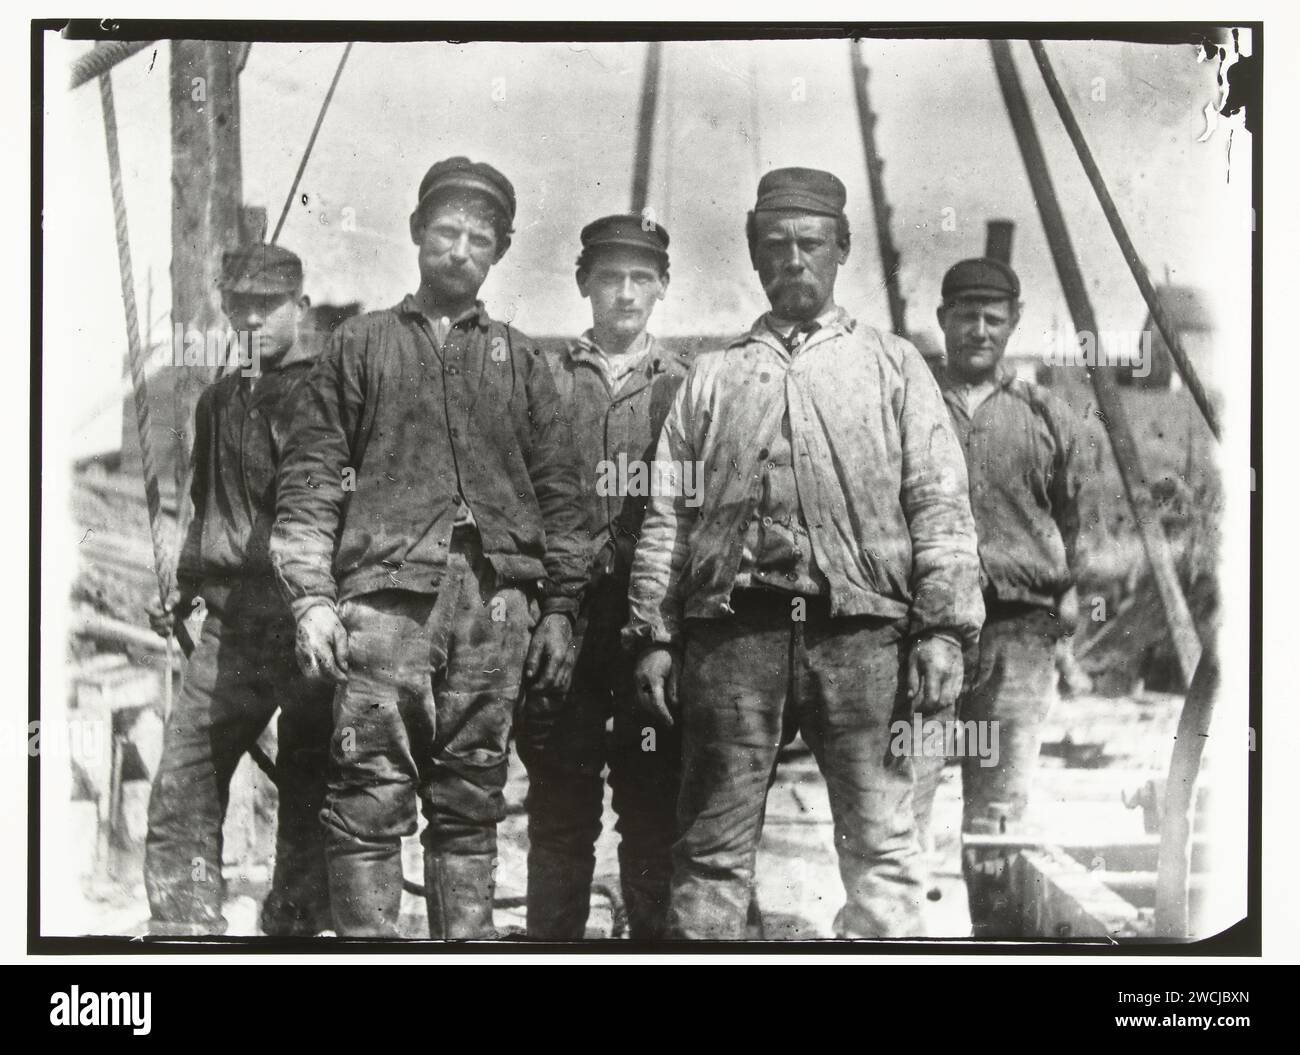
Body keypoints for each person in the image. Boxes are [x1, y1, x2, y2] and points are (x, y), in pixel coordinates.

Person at [625, 167, 984, 939]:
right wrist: (655, 636)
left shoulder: (894, 367)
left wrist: (943, 628)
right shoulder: (713, 378)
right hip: (734, 642)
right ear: (755, 256)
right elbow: (667, 518)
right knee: (712, 852)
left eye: (811, 243)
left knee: (884, 847)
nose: (794, 259)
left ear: (841, 248)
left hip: (862, 643)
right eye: (776, 245)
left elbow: (939, 503)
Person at [270, 157, 587, 938]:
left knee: (471, 802)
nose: (461, 248)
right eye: (446, 230)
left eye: (481, 237)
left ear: (499, 251)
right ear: (417, 234)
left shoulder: (524, 361)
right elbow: (310, 480)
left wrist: (564, 611)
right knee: (369, 795)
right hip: (384, 611)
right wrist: (311, 598)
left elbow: (564, 498)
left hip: (497, 609)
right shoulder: (360, 346)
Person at [144, 243, 332, 936]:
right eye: (241, 303)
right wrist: (186, 583)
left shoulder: (323, 395)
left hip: (305, 622)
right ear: (224, 307)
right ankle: (187, 926)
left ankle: (297, 930)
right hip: (229, 625)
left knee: (312, 785)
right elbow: (206, 503)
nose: (253, 317)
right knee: (185, 776)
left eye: (269, 303)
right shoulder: (219, 399)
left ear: (300, 307)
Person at [516, 215, 690, 940]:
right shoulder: (544, 379)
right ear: (583, 282)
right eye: (609, 276)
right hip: (564, 627)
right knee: (560, 809)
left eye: (640, 278)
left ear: (661, 288)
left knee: (652, 811)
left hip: (649, 631)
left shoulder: (687, 385)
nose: (624, 292)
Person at [914, 257, 1083, 936]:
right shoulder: (913, 401)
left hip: (1019, 636)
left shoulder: (1045, 412)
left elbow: (1075, 518)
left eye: (993, 317)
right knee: (904, 802)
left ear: (1012, 323)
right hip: (925, 637)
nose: (978, 329)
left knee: (999, 815)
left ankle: (998, 944)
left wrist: (1069, 600)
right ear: (943, 320)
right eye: (965, 315)